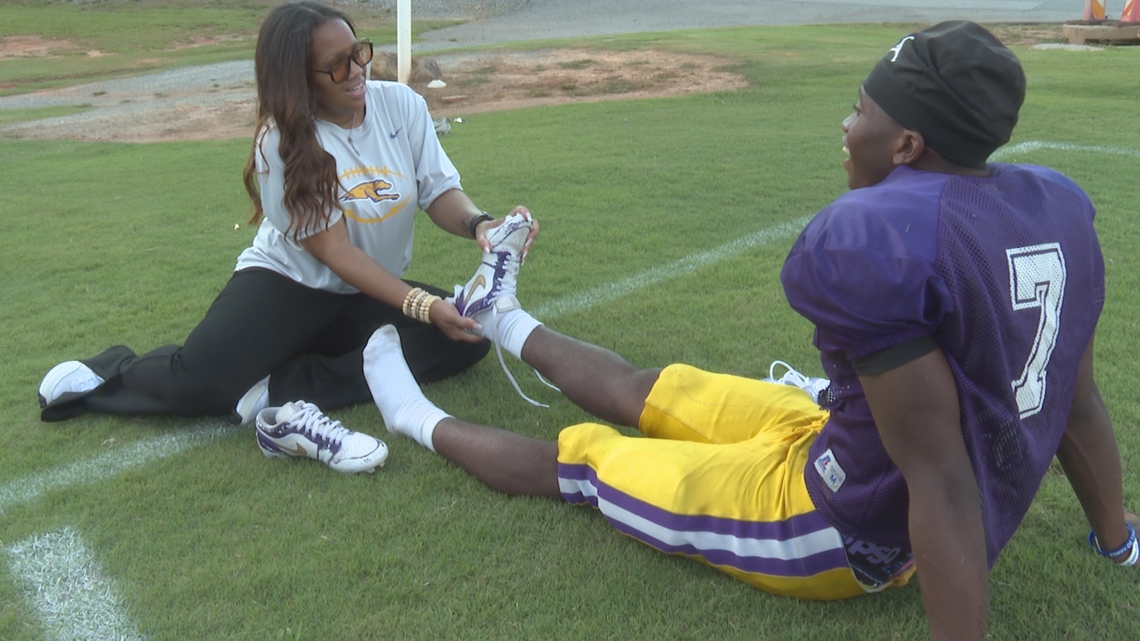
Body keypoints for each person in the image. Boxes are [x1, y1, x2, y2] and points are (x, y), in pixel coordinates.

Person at [358, 21, 1137, 639]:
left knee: (595, 458)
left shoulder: (884, 237)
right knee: (655, 388)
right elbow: (1075, 400)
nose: (845, 122)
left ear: (907, 146)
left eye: (862, 109)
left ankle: (409, 413)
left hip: (841, 522)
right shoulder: (1053, 205)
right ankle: (500, 313)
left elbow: (940, 477)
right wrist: (1117, 537)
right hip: (845, 441)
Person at [36, 1, 538, 473]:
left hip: (363, 290)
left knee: (467, 340)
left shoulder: (401, 106)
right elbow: (335, 251)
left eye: (358, 53)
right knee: (201, 385)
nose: (358, 69)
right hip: (287, 286)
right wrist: (423, 305)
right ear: (299, 79)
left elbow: (439, 191)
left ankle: (275, 387)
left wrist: (481, 224)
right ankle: (111, 367)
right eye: (337, 65)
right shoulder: (281, 142)